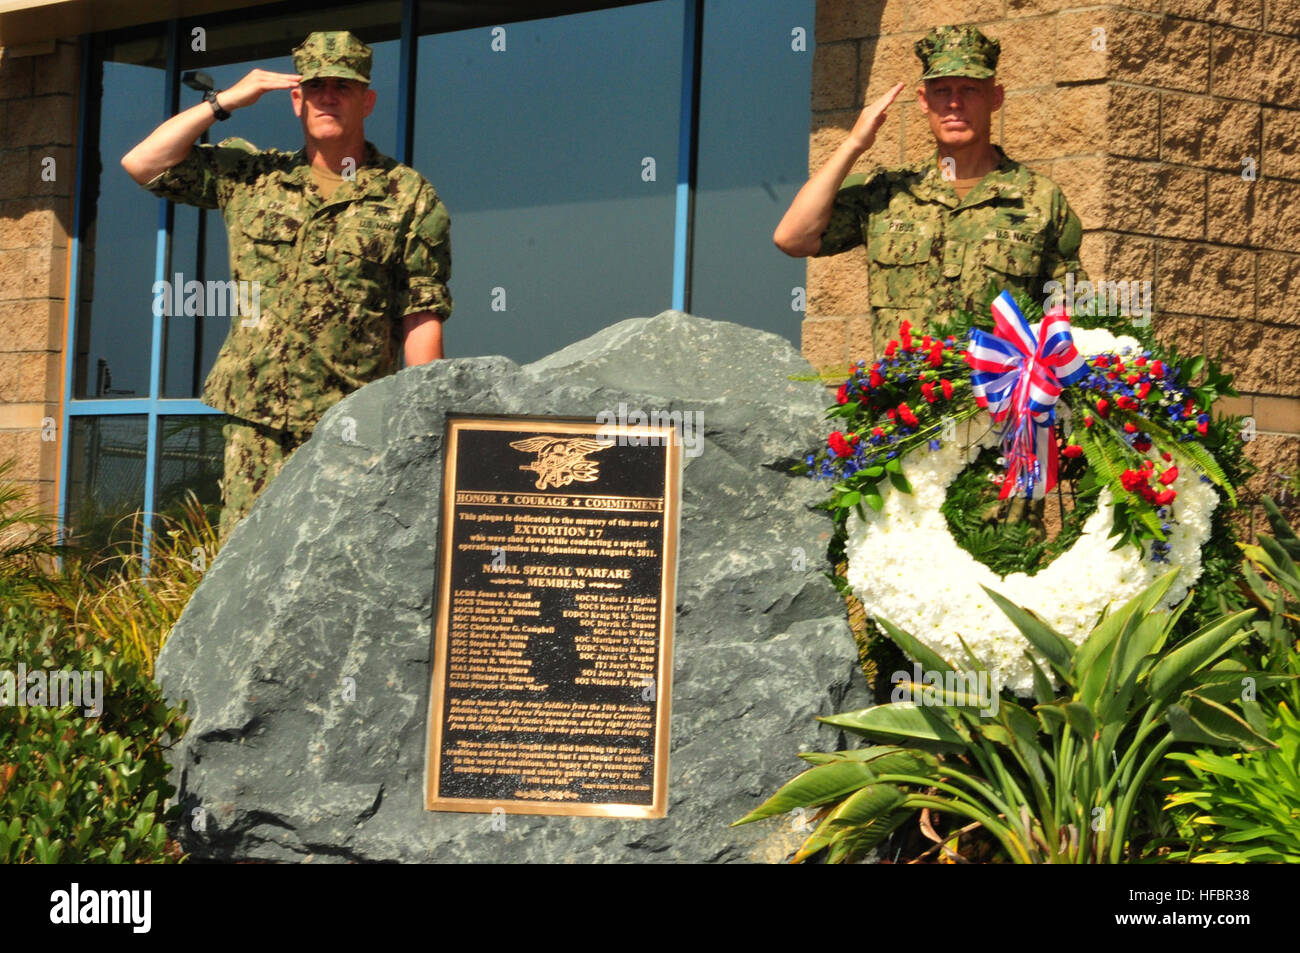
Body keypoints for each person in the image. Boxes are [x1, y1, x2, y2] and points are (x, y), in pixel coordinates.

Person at [121, 31, 452, 544]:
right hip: (258, 420)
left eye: (343, 86)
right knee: (247, 565)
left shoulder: (406, 195)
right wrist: (225, 100)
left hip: (353, 421)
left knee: (343, 565)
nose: (328, 96)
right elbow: (142, 163)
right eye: (315, 85)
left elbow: (420, 313)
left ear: (367, 100)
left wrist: (418, 421)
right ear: (296, 99)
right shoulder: (253, 175)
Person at [774, 24, 1089, 353]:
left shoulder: (1039, 199)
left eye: (969, 89)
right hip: (902, 401)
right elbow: (792, 238)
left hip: (999, 400)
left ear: (995, 97)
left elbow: (1073, 320)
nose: (954, 103)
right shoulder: (888, 193)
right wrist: (853, 144)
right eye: (942, 91)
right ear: (923, 100)